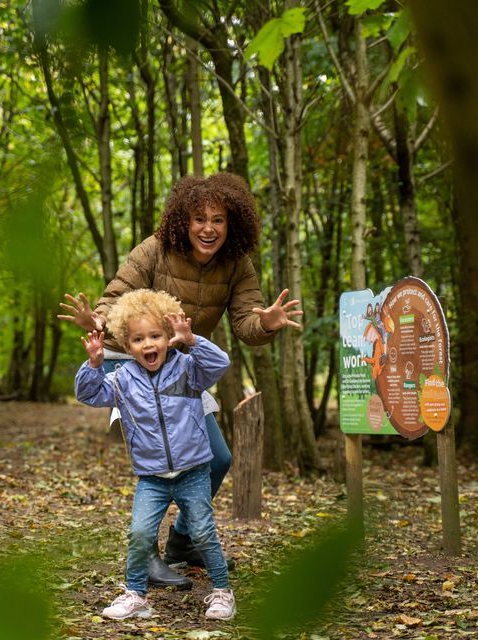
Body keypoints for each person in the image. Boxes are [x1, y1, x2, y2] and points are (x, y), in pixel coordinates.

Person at [58, 172, 302, 589]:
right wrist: (99, 321)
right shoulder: (155, 250)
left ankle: (184, 542)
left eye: (219, 220)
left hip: (180, 363)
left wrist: (268, 324)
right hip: (129, 360)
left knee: (217, 458)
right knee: (156, 459)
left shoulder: (237, 263)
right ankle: (147, 556)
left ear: (232, 224)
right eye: (199, 218)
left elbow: (246, 323)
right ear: (183, 221)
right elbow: (114, 298)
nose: (208, 228)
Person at [74, 289, 235, 620]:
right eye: (137, 339)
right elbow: (88, 393)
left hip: (192, 472)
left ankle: (222, 591)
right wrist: (93, 364)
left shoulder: (187, 370)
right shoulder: (123, 380)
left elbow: (220, 363)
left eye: (155, 336)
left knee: (203, 531)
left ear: (168, 336)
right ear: (127, 344)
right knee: (140, 534)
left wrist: (191, 340)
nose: (148, 345)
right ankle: (136, 595)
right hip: (151, 477)